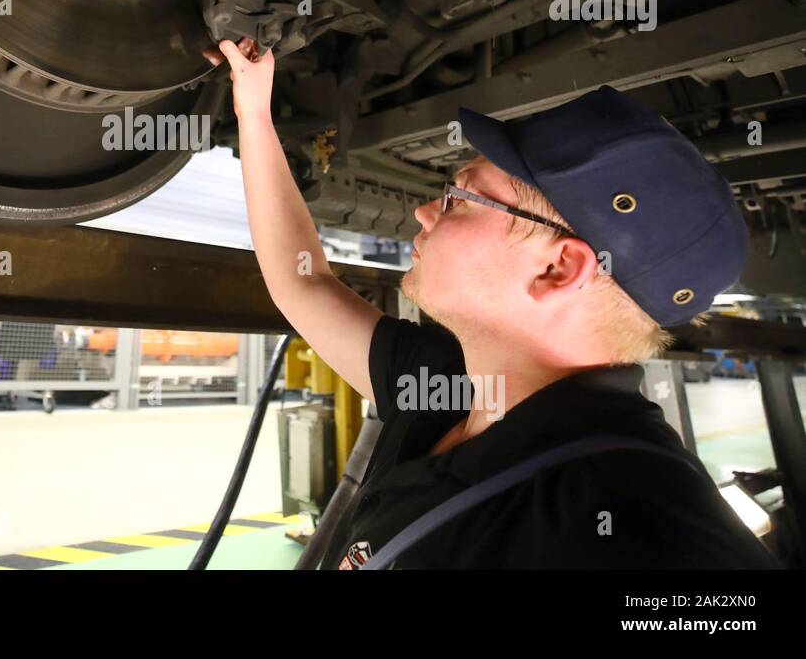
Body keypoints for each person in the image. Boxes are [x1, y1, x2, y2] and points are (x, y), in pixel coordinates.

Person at [204, 37, 780, 569]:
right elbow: (304, 283)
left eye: (459, 197)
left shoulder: (648, 526)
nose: (425, 211)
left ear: (558, 268)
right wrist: (255, 114)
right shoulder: (445, 385)